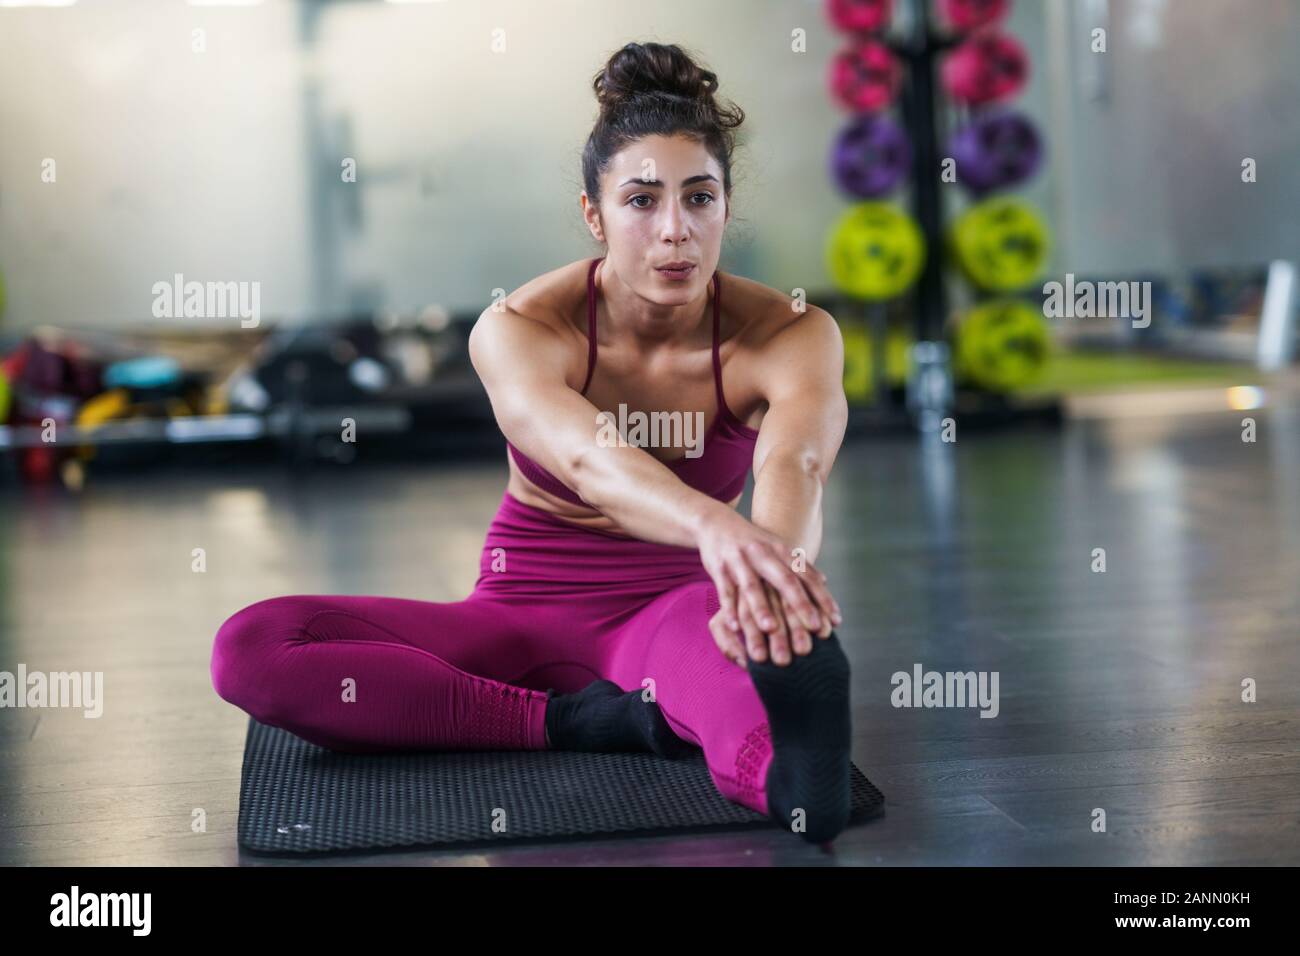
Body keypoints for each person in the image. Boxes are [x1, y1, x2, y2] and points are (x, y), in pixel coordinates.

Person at [211, 41, 853, 844]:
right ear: (594, 213)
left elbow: (794, 459)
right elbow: (589, 457)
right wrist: (721, 528)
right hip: (518, 608)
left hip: (677, 607)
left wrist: (774, 577)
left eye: (699, 198)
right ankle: (573, 722)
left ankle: (790, 778)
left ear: (727, 206)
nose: (675, 232)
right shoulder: (521, 327)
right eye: (642, 201)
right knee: (254, 648)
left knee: (752, 707)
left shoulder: (788, 333)